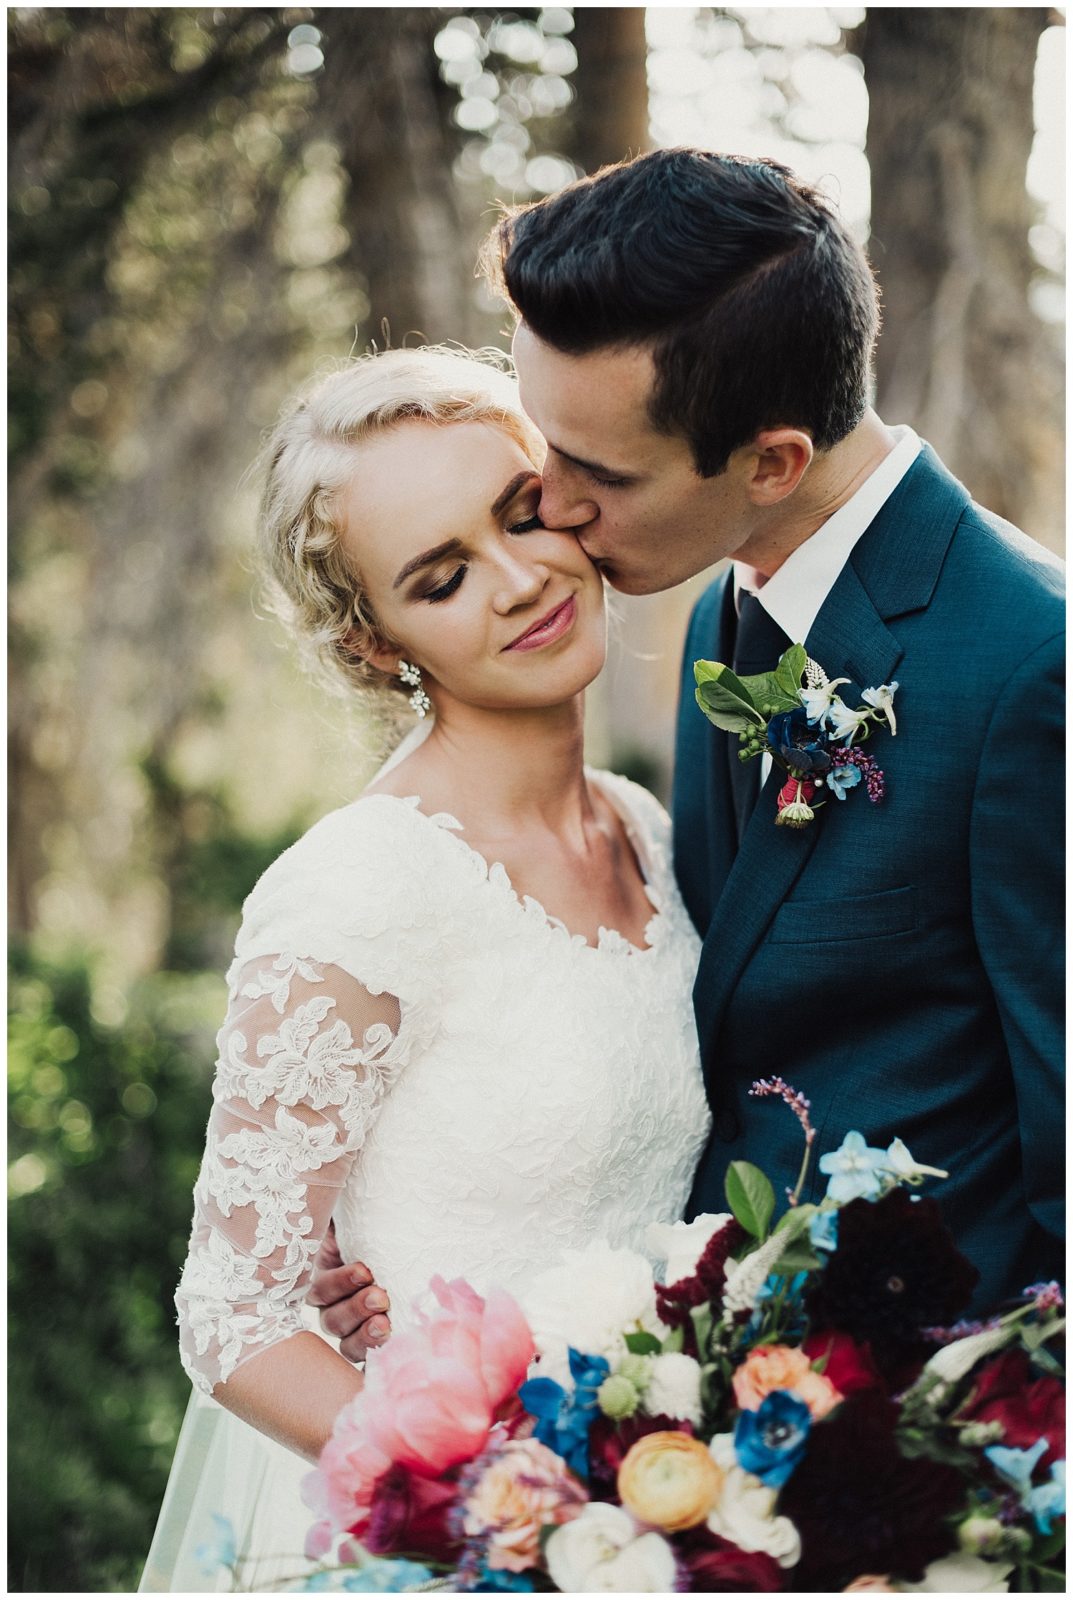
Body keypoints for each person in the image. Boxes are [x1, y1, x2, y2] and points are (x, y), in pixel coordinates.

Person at [316, 147, 1063, 1365]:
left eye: (599, 472)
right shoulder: (727, 601)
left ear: (770, 462)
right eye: (546, 442)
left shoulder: (1032, 667)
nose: (553, 504)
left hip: (930, 1407)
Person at [139, 345, 710, 1591]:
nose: (519, 580)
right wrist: (505, 1516)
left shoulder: (649, 831)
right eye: (442, 577)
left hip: (670, 1505)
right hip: (474, 1542)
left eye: (521, 513)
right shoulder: (362, 887)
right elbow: (234, 1320)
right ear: (372, 642)